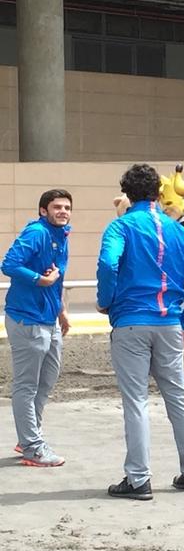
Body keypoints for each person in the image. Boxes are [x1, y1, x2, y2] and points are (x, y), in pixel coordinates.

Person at [97, 164, 184, 501]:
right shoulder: (178, 231)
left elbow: (107, 264)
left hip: (131, 320)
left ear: (127, 193)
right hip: (170, 322)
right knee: (177, 396)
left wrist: (106, 301)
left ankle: (138, 478)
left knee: (136, 401)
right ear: (160, 193)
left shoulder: (120, 226)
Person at [2, 189, 72, 467]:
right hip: (27, 320)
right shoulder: (37, 233)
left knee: (46, 382)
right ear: (44, 210)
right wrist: (37, 280)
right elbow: (8, 264)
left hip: (49, 319)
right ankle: (32, 447)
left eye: (67, 207)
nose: (63, 211)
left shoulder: (61, 235)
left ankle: (29, 436)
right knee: (26, 386)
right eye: (57, 207)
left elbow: (56, 276)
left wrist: (62, 312)